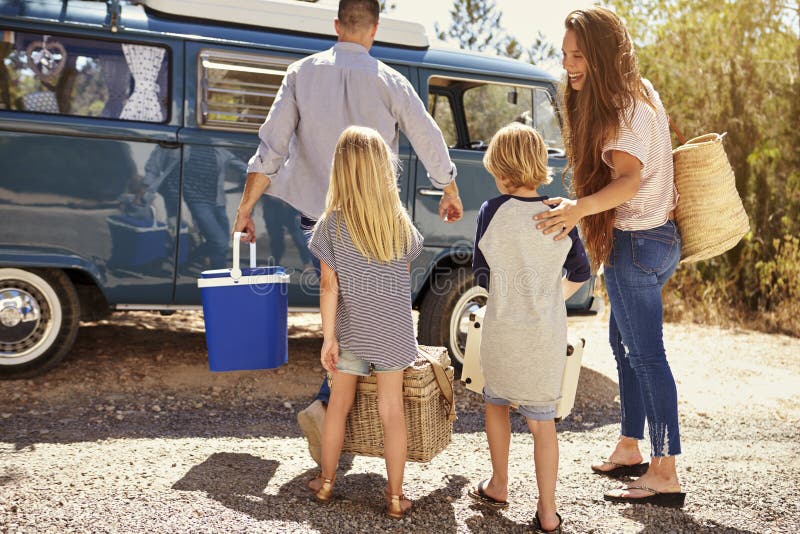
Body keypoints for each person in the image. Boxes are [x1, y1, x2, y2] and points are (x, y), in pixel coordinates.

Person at [231, 0, 463, 467]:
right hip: (379, 223)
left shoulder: (300, 73)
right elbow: (426, 134)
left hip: (320, 219)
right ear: (373, 30)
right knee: (371, 312)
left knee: (342, 305)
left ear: (336, 25)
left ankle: (333, 411)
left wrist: (245, 210)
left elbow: (271, 147)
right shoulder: (388, 78)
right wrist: (449, 187)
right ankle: (329, 406)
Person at [534, 7, 685, 507]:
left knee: (645, 355)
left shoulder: (622, 109)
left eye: (578, 55)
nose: (568, 64)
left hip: (636, 243)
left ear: (600, 56)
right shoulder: (643, 94)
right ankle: (629, 445)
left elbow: (628, 181)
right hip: (659, 240)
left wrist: (578, 209)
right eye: (564, 54)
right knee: (625, 347)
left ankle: (664, 469)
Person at [468, 123, 590, 533]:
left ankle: (499, 484)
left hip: (503, 329)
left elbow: (481, 275)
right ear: (539, 167)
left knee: (496, 403)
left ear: (501, 172)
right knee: (542, 423)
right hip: (545, 336)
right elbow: (581, 271)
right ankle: (548, 511)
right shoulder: (559, 213)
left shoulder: (490, 212)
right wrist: (550, 294)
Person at [306, 126, 420, 519]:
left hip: (353, 329)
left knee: (338, 405)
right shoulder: (399, 221)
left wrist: (328, 338)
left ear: (341, 170)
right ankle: (394, 496)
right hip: (393, 332)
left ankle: (326, 483)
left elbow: (328, 286)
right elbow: (404, 274)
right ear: (382, 170)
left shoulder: (330, 224)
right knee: (392, 411)